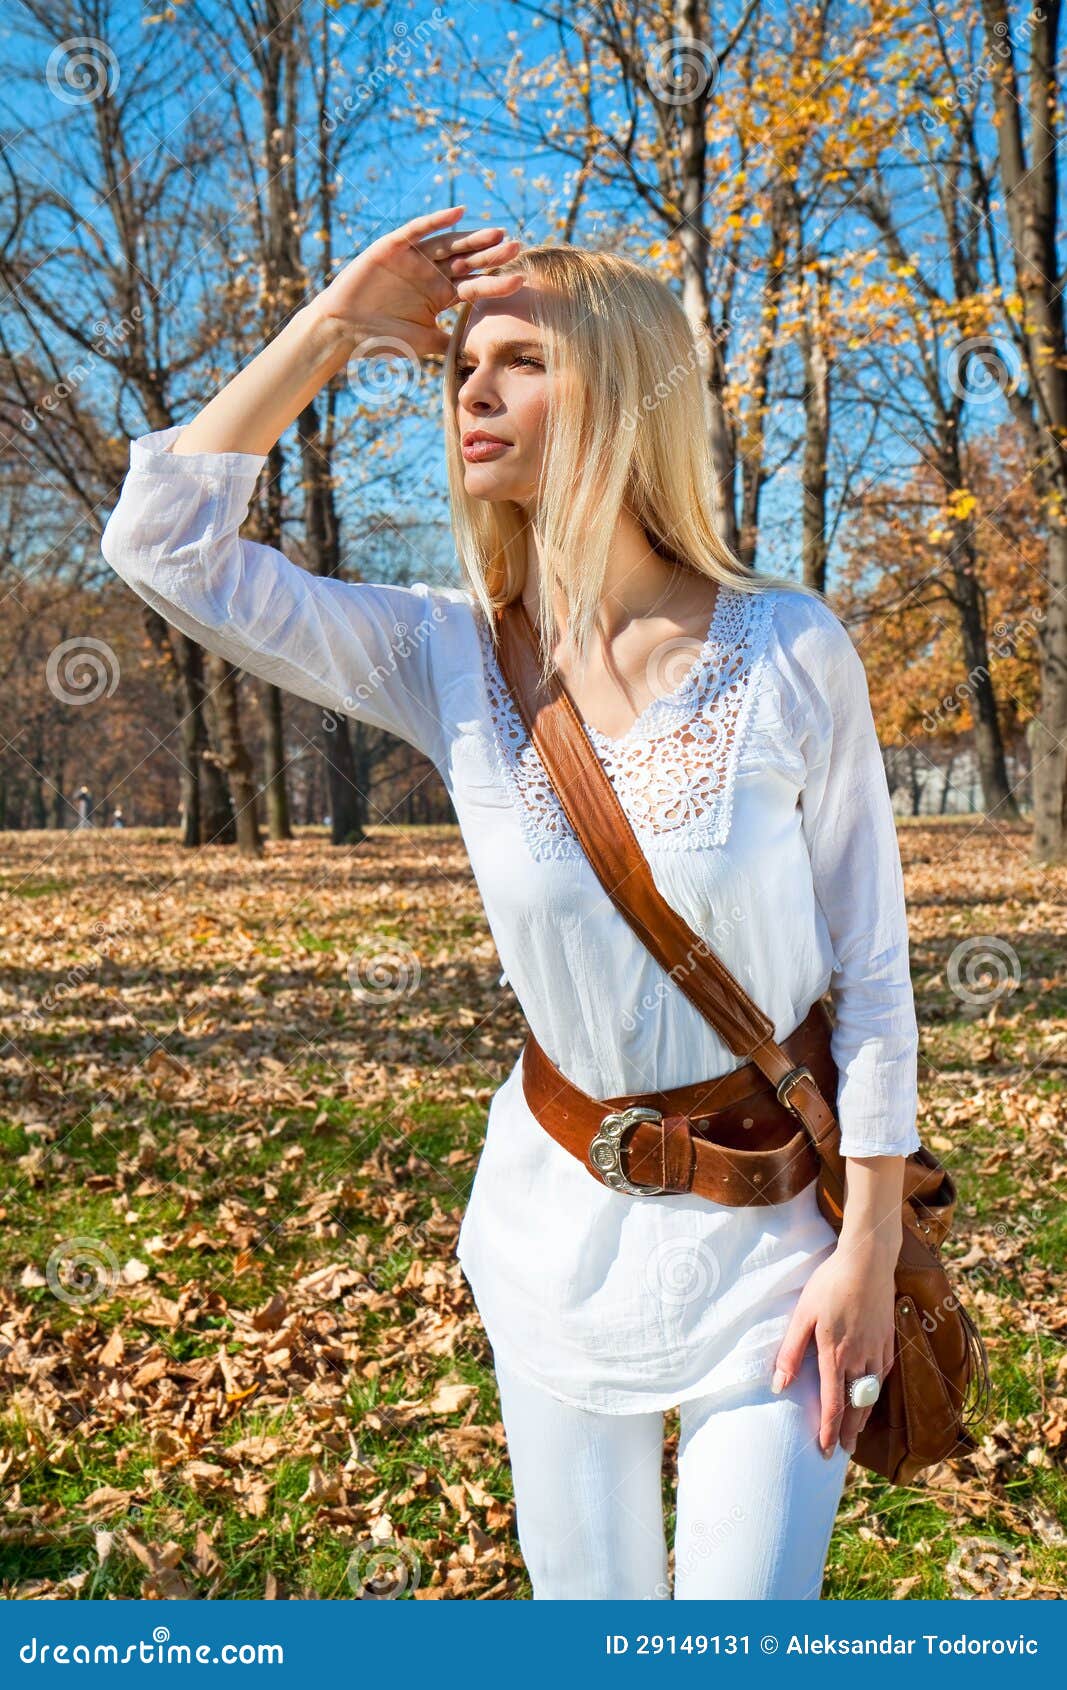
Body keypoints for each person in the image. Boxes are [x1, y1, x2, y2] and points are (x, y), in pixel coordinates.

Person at [99, 207, 918, 1601]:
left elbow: (876, 976)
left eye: (521, 361)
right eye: (461, 365)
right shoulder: (447, 655)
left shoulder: (791, 649)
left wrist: (871, 1252)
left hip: (782, 1245)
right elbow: (164, 546)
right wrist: (333, 328)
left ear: (623, 392)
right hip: (555, 1237)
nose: (472, 391)